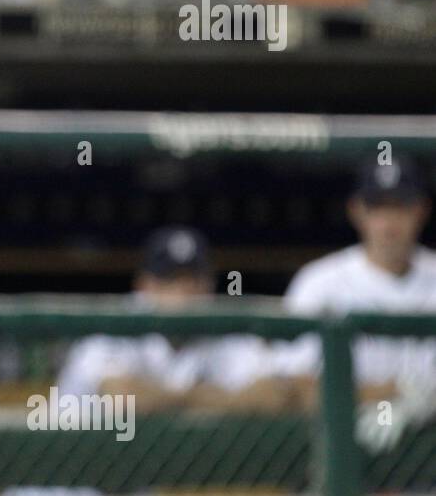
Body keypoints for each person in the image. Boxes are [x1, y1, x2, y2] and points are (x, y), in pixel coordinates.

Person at [282, 156, 436, 452]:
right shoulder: (319, 281)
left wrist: (425, 402)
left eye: (400, 206)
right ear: (356, 211)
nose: (389, 222)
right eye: (378, 207)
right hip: (338, 446)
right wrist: (395, 394)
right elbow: (295, 387)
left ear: (421, 210)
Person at [58, 227, 284, 412]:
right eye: (170, 279)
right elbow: (123, 397)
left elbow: (271, 395)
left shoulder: (222, 324)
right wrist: (205, 398)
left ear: (210, 285)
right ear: (144, 285)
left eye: (193, 279)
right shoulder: (117, 321)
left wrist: (167, 398)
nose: (183, 291)